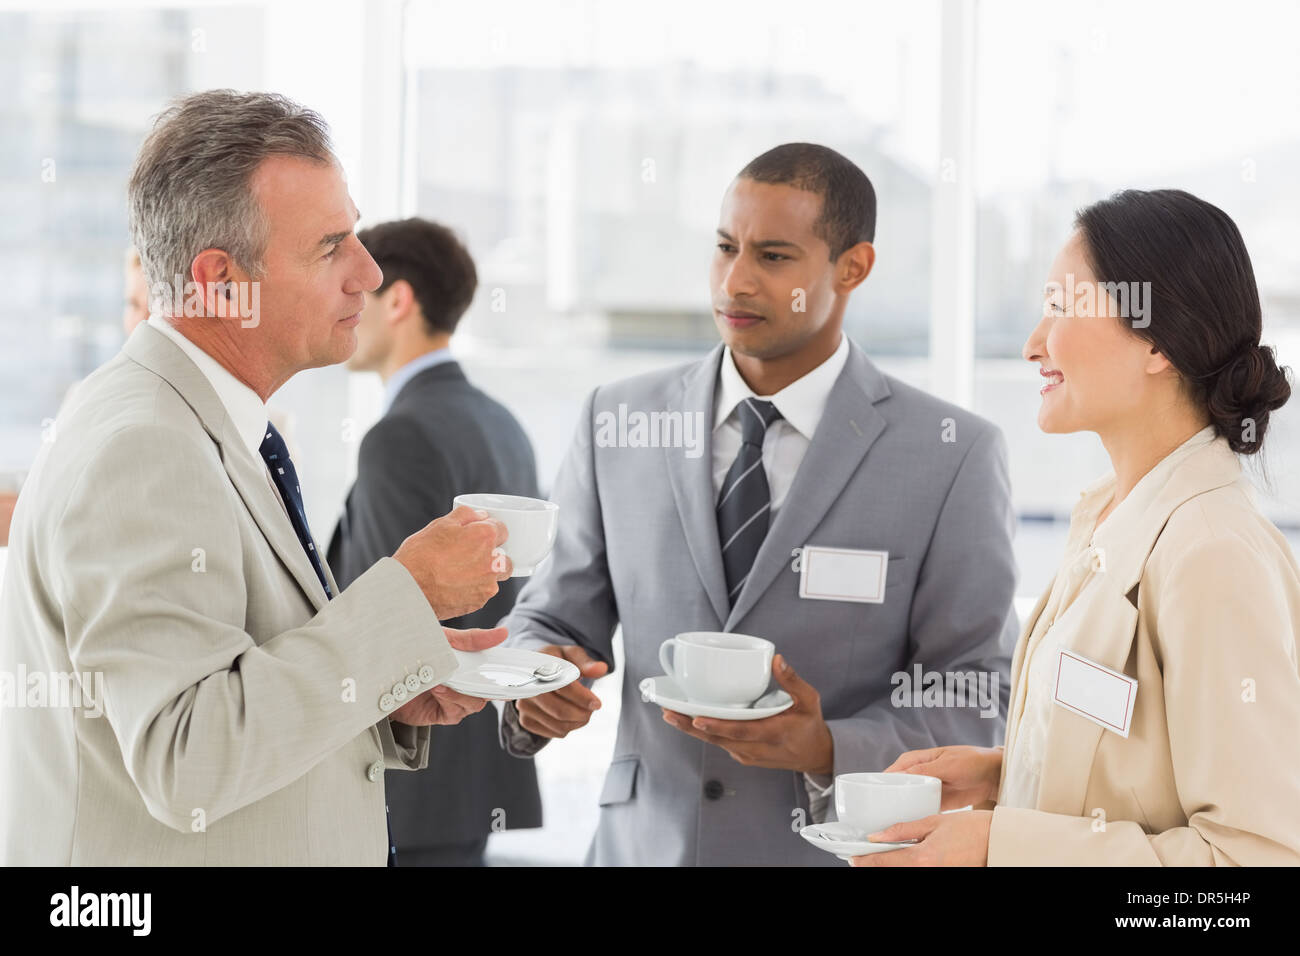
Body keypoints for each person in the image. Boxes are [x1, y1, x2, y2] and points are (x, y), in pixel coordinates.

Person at [0, 90, 517, 865]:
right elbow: (187, 759)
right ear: (218, 280)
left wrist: (386, 682)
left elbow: (234, 689)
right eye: (330, 246)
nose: (369, 274)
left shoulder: (212, 425)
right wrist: (406, 596)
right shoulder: (146, 447)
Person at [498, 143, 1018, 865]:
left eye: (773, 257)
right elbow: (551, 616)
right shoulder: (616, 419)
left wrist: (831, 746)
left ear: (853, 267)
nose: (734, 281)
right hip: (642, 847)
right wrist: (536, 680)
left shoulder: (950, 453)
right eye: (724, 247)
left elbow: (977, 689)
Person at [857, 189, 1300, 866]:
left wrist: (1000, 845)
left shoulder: (1213, 554)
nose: (1035, 343)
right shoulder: (1112, 518)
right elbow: (1146, 772)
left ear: (1155, 341)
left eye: (1062, 308)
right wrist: (1010, 775)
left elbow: (1248, 865)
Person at [327, 217, 543, 866]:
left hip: (406, 782)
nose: (344, 305)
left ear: (399, 300)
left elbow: (382, 608)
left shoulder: (400, 437)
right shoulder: (502, 424)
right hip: (471, 779)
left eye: (358, 289)